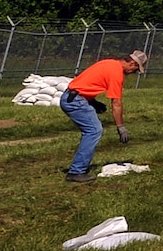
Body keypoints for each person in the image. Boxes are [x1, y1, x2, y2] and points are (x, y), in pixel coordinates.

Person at [60, 50, 146, 182]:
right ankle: (76, 172)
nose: (134, 72)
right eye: (136, 69)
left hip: (72, 97)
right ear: (132, 63)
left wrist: (93, 102)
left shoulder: (109, 63)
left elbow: (87, 82)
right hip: (75, 101)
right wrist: (120, 127)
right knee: (94, 131)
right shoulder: (117, 74)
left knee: (92, 130)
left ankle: (78, 169)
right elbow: (116, 103)